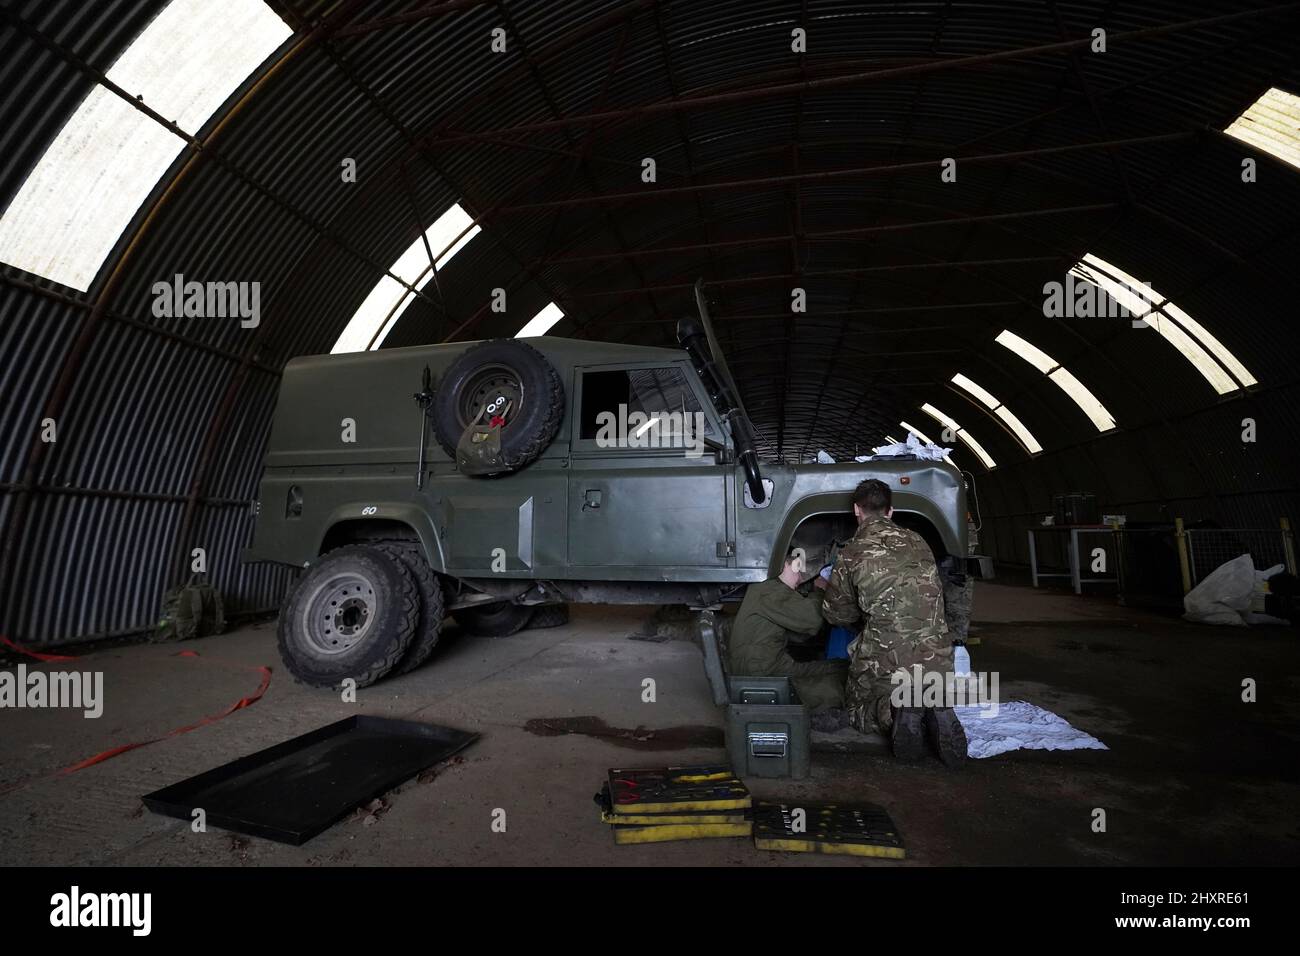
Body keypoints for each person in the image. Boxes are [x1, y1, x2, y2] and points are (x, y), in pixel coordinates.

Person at [821, 478, 968, 766]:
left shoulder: (851, 552)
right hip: (938, 654)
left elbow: (837, 615)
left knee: (858, 711)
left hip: (887, 656)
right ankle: (935, 703)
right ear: (891, 511)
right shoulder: (920, 541)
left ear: (856, 510)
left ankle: (895, 707)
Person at [727, 551, 847, 711]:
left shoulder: (765, 589)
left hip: (765, 667)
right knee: (833, 688)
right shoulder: (770, 591)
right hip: (762, 677)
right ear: (782, 564)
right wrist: (820, 590)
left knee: (841, 667)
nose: (800, 579)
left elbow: (800, 635)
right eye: (797, 570)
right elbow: (812, 619)